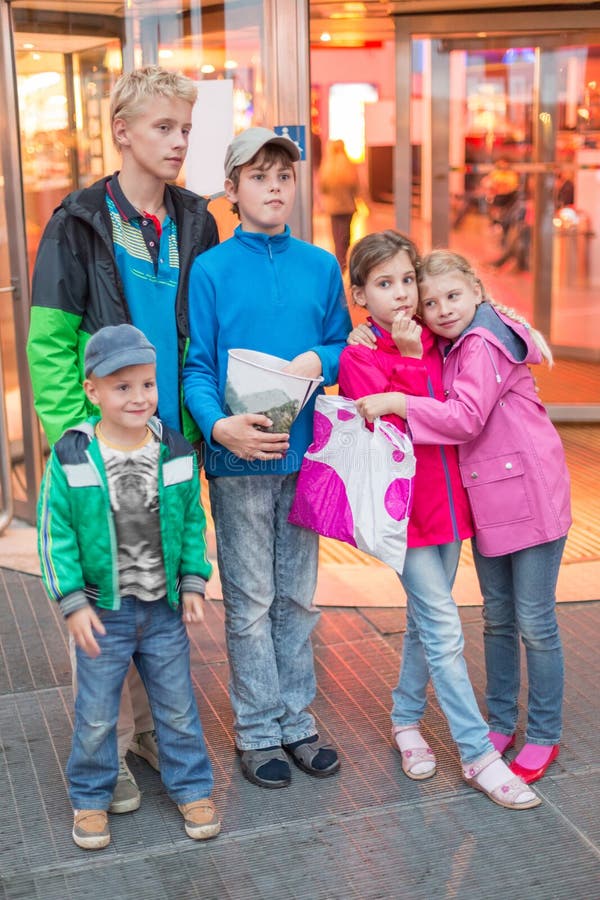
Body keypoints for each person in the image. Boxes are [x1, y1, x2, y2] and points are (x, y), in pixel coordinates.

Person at [26, 66, 219, 814]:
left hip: (169, 450)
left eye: (184, 130)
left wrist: (201, 430)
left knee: (158, 592)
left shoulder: (198, 221)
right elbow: (50, 345)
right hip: (104, 448)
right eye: (164, 128)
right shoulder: (76, 221)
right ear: (123, 132)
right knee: (105, 601)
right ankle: (105, 757)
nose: (177, 143)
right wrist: (74, 441)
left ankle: (146, 738)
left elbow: (201, 331)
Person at [341, 231, 540, 811]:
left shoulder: (439, 335)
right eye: (384, 284)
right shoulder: (358, 355)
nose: (401, 295)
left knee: (426, 624)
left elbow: (457, 415)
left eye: (408, 280)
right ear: (360, 295)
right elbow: (396, 428)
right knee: (444, 624)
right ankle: (479, 754)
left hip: (450, 504)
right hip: (402, 515)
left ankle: (406, 720)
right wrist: (402, 360)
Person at [182, 126, 352, 789]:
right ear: (232, 190)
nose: (274, 186)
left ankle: (296, 721)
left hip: (304, 459)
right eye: (258, 176)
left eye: (283, 176)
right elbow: (197, 366)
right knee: (250, 602)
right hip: (238, 463)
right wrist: (220, 428)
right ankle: (257, 731)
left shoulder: (319, 265)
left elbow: (344, 345)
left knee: (298, 598)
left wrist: (323, 358)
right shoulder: (212, 270)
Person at [37, 325, 219, 850]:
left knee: (179, 706)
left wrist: (192, 581)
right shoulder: (73, 454)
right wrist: (70, 602)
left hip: (163, 611)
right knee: (96, 712)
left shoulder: (174, 448)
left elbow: (189, 519)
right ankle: (90, 799)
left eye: (147, 384)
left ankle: (192, 787)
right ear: (92, 390)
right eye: (122, 387)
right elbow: (57, 533)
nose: (139, 397)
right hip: (103, 612)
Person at [318, 139, 360, 270]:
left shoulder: (327, 167)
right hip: (348, 207)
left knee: (337, 238)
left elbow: (323, 188)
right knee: (346, 236)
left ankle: (340, 264)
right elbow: (356, 188)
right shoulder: (349, 166)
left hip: (333, 208)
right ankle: (346, 263)